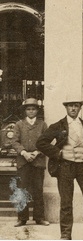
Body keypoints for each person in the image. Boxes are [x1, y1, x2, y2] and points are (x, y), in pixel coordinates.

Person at [37, 95, 83, 240]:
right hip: (65, 167)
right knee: (66, 202)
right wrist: (58, 153)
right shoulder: (58, 126)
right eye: (70, 106)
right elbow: (41, 143)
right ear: (66, 107)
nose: (73, 108)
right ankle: (65, 235)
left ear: (80, 108)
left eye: (76, 106)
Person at [11, 97, 49, 227]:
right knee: (22, 190)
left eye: (33, 109)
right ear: (25, 111)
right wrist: (24, 153)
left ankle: (39, 218)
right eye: (28, 109)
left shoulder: (42, 125)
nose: (31, 111)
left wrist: (37, 152)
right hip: (23, 162)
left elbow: (46, 142)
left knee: (38, 189)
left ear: (37, 110)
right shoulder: (19, 124)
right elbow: (14, 141)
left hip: (38, 161)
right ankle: (22, 218)